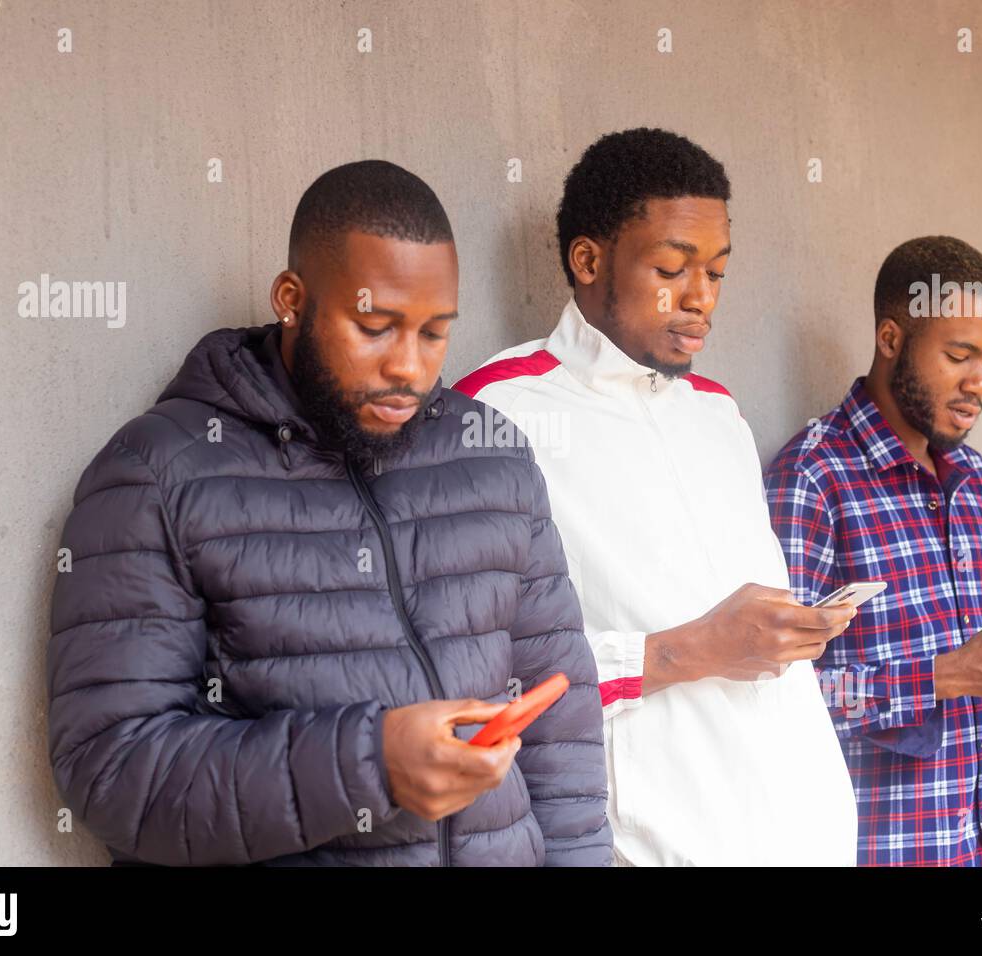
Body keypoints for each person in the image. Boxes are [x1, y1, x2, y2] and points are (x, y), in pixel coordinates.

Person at [47, 160, 612, 866]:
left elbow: (562, 739)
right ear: (292, 298)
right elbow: (111, 769)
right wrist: (366, 765)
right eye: (375, 326)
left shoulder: (491, 458)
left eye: (435, 333)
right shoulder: (158, 475)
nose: (409, 367)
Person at [455, 129, 857, 865]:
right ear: (588, 261)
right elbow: (474, 673)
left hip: (807, 833)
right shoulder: (495, 412)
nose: (701, 297)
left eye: (718, 273)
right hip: (652, 845)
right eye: (673, 268)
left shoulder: (718, 414)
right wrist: (684, 651)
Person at [765, 235, 982, 865]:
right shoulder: (812, 477)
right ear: (891, 339)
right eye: (960, 355)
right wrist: (948, 674)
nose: (980, 383)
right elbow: (779, 700)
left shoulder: (974, 479)